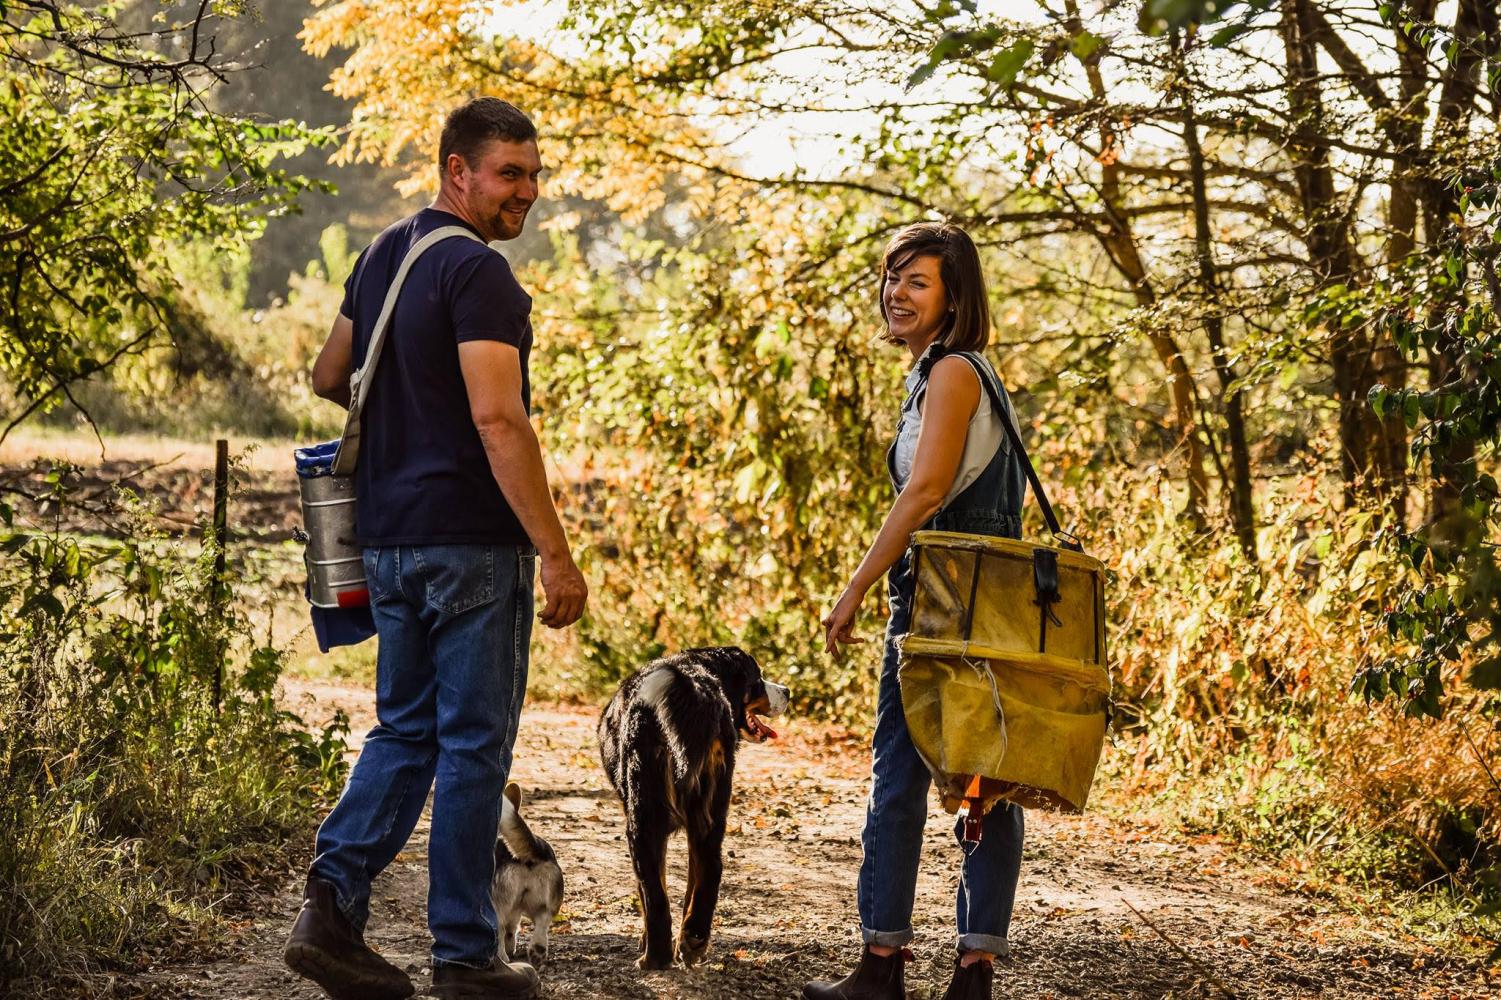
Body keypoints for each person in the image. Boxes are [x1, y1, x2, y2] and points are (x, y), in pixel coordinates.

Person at [284, 97, 587, 1000]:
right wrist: (556, 554)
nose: (526, 192)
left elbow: (329, 375)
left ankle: (328, 912)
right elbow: (500, 420)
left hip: (388, 540)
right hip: (472, 547)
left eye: (534, 174)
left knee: (404, 731)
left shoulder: (385, 253)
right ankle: (464, 954)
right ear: (457, 170)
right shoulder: (479, 275)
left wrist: (410, 423)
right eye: (508, 173)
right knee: (472, 750)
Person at [805, 222, 1027, 1000]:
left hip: (944, 602)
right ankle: (957, 971)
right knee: (978, 782)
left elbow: (925, 490)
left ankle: (890, 967)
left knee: (913, 780)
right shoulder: (943, 372)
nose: (895, 294)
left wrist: (855, 586)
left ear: (954, 299)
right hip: (974, 597)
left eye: (917, 282)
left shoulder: (954, 372)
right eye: (891, 278)